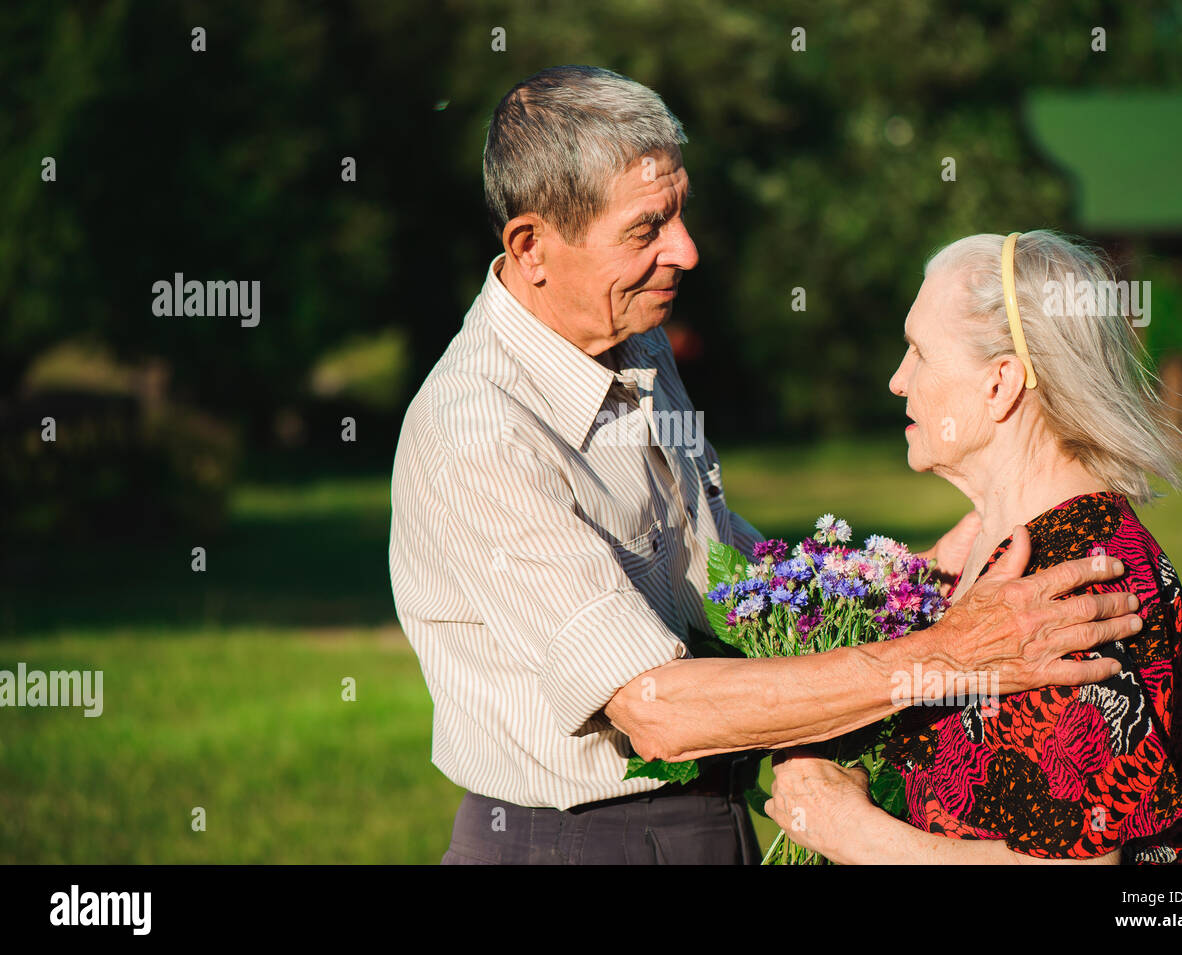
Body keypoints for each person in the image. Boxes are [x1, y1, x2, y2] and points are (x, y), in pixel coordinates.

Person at [388, 68, 1142, 865]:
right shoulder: (480, 432)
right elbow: (655, 709)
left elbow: (723, 579)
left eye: (680, 212)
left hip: (710, 811)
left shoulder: (630, 339)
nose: (686, 250)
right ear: (532, 247)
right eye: (646, 229)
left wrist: (907, 580)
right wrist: (947, 653)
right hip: (574, 839)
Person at [767, 230, 1182, 863]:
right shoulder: (1020, 550)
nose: (897, 380)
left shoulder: (1070, 584)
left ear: (1001, 384)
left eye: (919, 353)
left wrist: (848, 830)